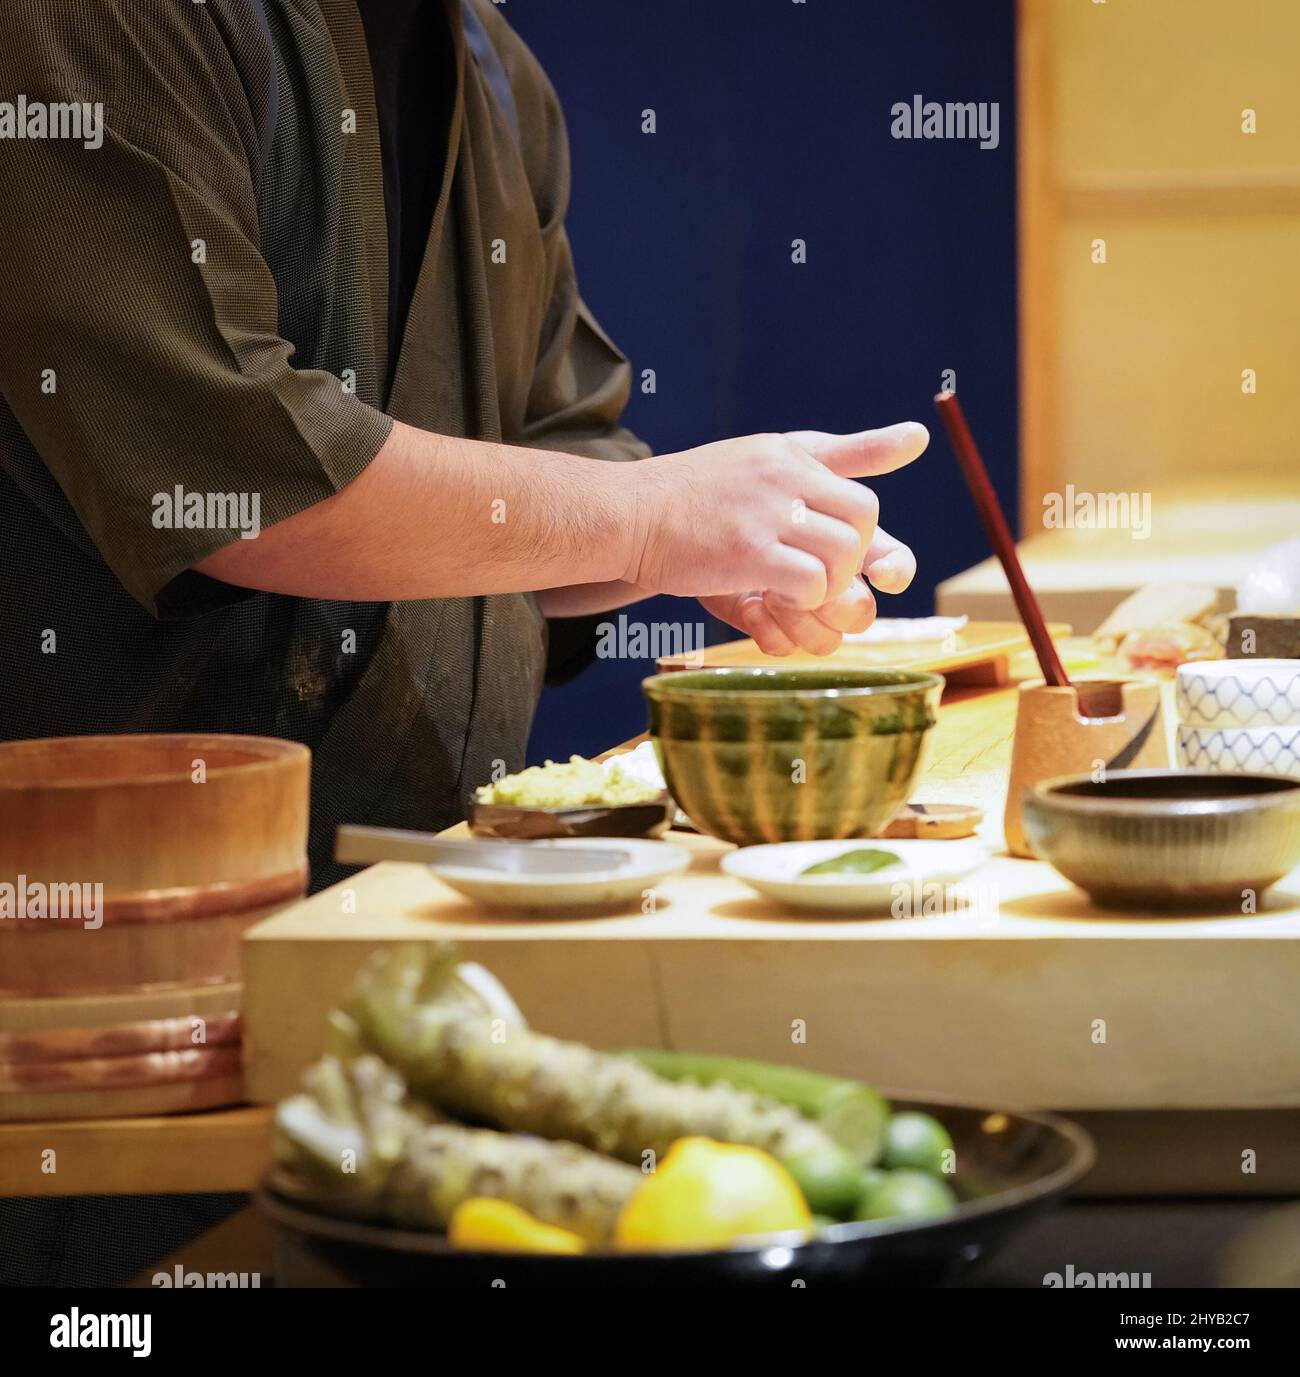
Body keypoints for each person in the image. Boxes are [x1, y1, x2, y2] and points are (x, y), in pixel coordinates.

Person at [1, 0, 927, 896]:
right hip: (104, 904)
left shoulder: (492, 64)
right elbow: (226, 480)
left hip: (424, 871)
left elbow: (563, 454)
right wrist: (651, 518)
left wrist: (700, 546)